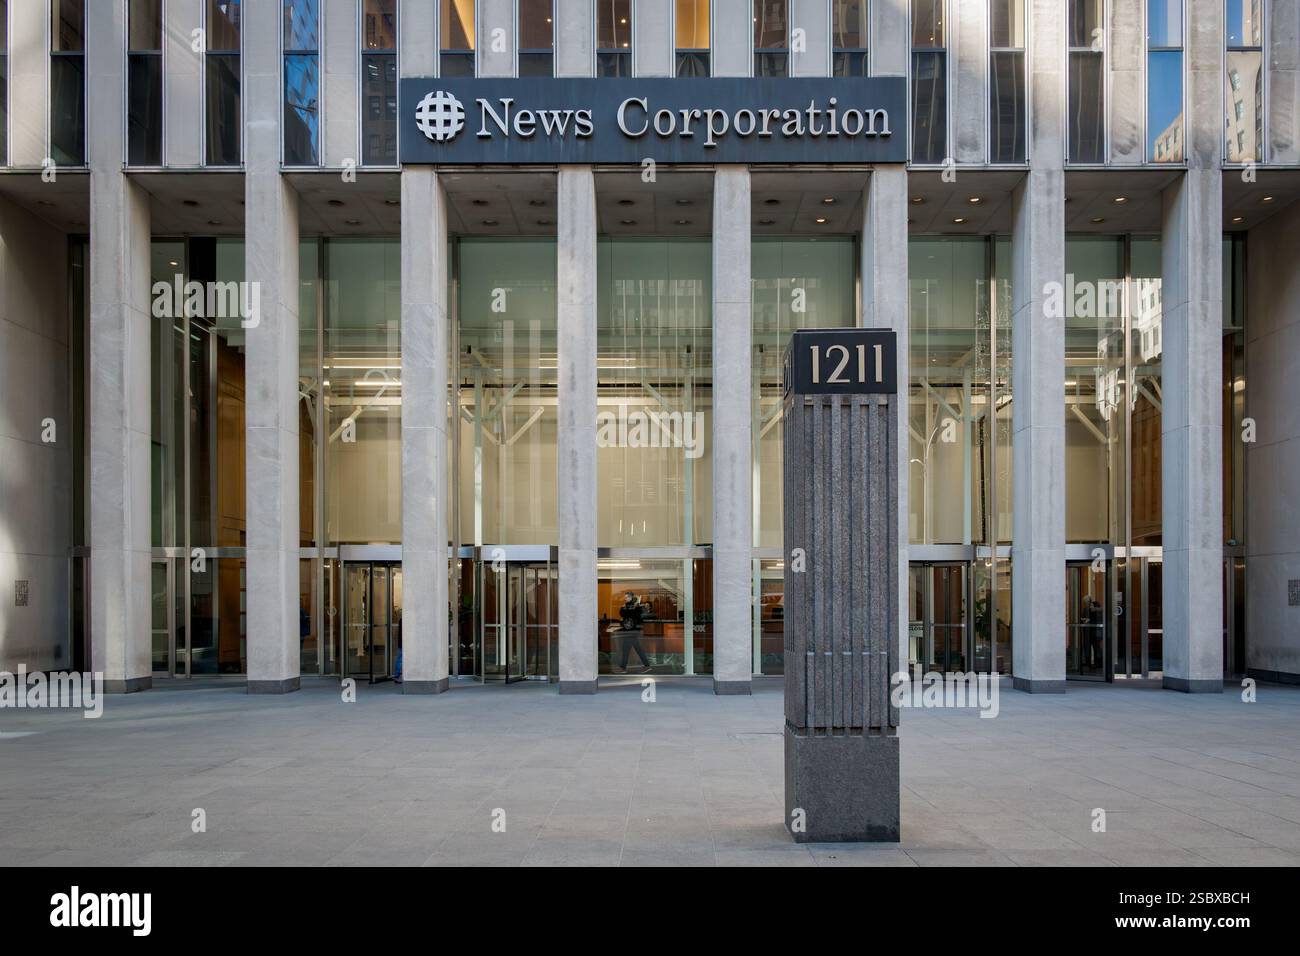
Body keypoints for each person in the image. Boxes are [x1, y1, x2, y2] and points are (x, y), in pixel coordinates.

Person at [617, 591, 652, 674]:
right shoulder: (632, 606)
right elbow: (622, 613)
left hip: (631, 630)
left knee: (626, 648)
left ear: (631, 597)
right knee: (637, 648)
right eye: (625, 597)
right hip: (632, 630)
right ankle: (647, 666)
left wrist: (626, 608)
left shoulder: (634, 606)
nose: (625, 599)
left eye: (626, 597)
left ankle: (623, 668)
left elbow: (625, 613)